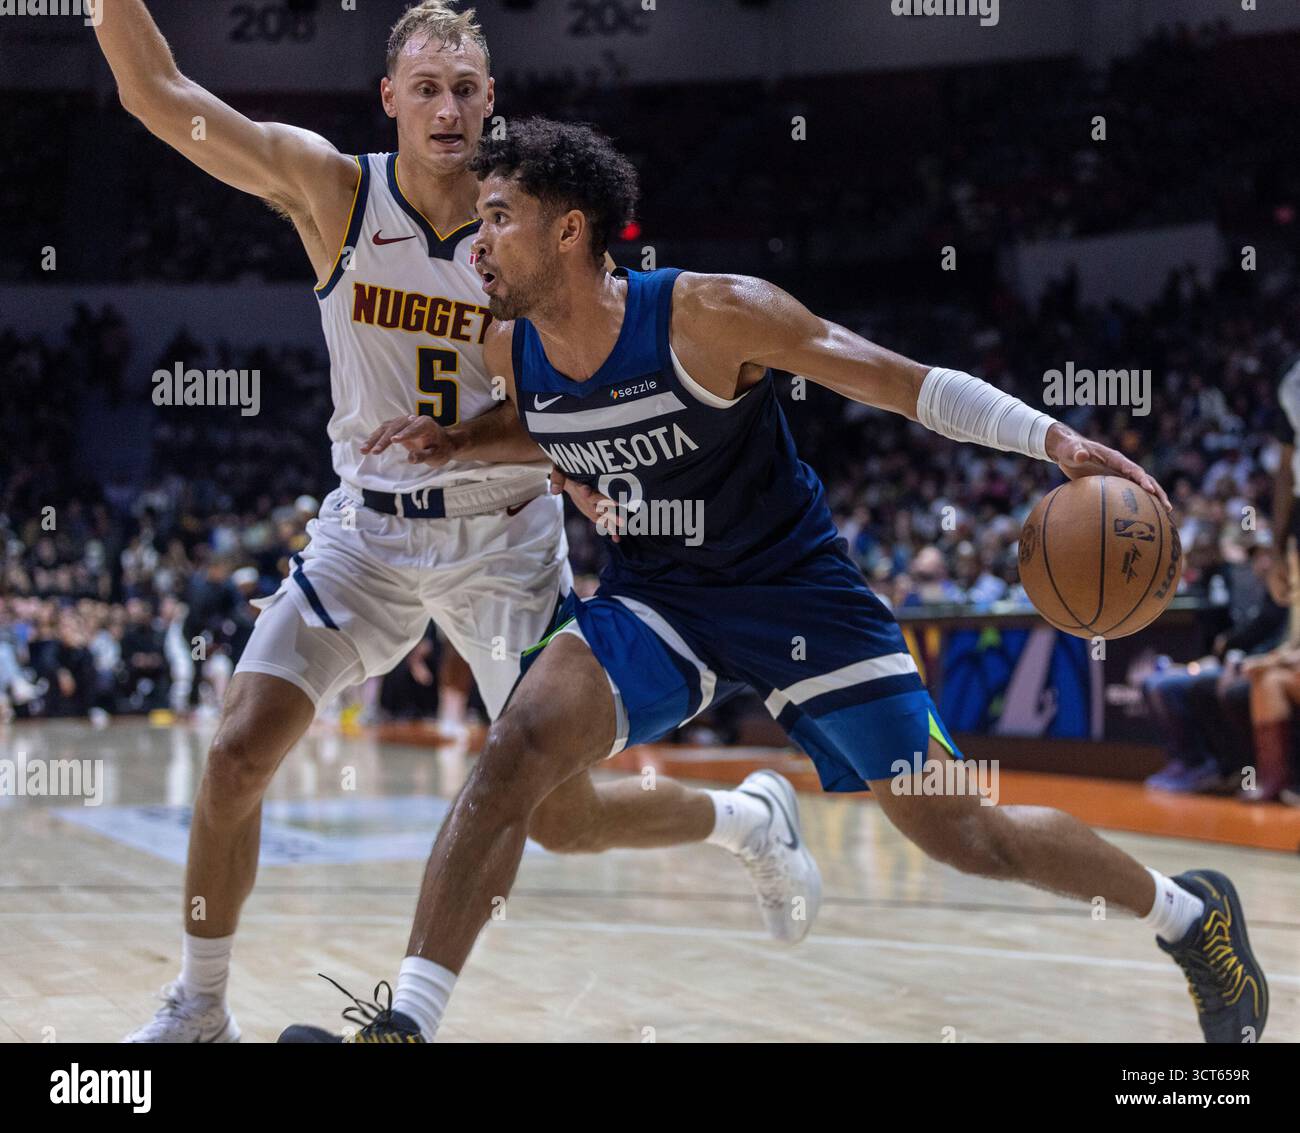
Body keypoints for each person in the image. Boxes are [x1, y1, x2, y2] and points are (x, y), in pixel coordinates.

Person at [282, 119, 1267, 1045]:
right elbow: (544, 423)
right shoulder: (513, 346)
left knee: (967, 832)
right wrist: (459, 439)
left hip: (798, 596)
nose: (475, 243)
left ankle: (1188, 912)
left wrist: (1049, 438)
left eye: (497, 219)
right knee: (517, 748)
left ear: (569, 230)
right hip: (659, 599)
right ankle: (405, 1024)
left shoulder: (711, 315)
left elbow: (900, 380)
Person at [102, 1, 809, 1044]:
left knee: (561, 818)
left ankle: (746, 817)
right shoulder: (334, 191)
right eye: (426, 87)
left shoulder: (531, 234)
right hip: (367, 532)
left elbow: (573, 401)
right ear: (388, 98)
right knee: (237, 750)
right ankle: (199, 1004)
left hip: (502, 543)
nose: (448, 107)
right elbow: (157, 96)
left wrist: (557, 459)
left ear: (493, 103)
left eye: (467, 88)